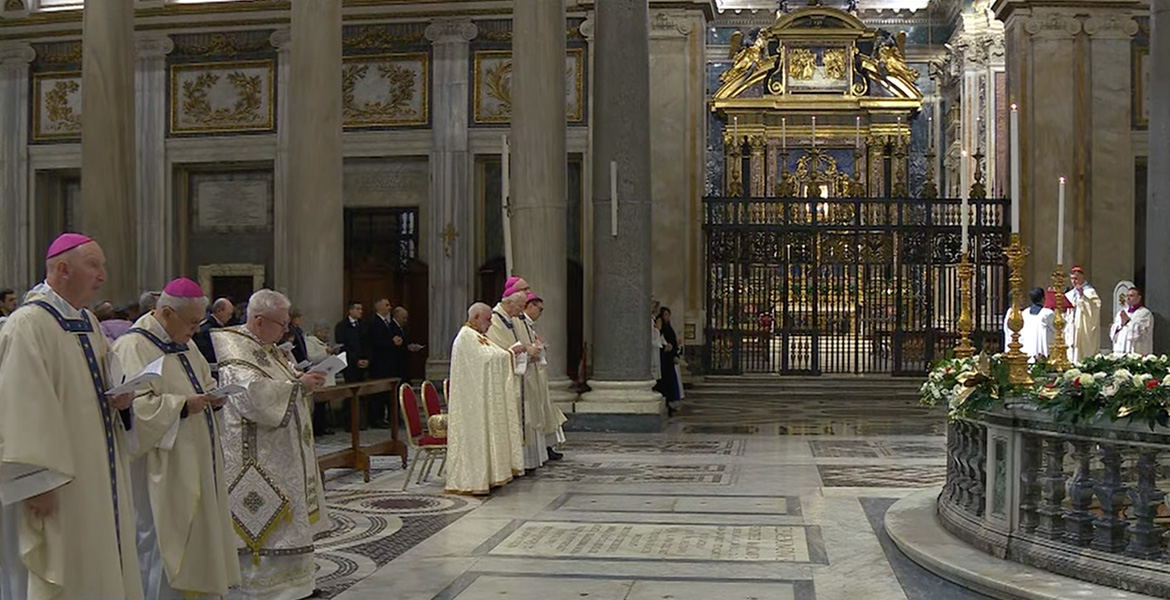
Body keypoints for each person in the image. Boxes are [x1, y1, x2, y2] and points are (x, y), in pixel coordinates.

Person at [0, 233, 143, 600]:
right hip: (55, 482)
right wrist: (36, 481)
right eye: (94, 265)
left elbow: (98, 385)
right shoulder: (28, 324)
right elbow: (21, 405)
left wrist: (120, 399)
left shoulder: (88, 322)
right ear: (63, 269)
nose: (102, 276)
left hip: (98, 472)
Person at [113, 278, 240, 599]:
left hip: (197, 459)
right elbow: (132, 411)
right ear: (167, 312)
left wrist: (215, 396)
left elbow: (203, 380)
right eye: (193, 322)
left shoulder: (185, 342)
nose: (197, 329)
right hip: (161, 470)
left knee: (200, 534)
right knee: (160, 542)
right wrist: (183, 406)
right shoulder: (133, 347)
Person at [212, 290, 328, 600]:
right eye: (281, 324)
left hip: (284, 453)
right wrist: (297, 386)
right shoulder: (236, 351)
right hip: (259, 458)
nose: (285, 330)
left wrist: (304, 380)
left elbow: (284, 381)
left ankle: (298, 585)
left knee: (292, 519)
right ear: (259, 320)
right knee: (268, 527)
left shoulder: (269, 347)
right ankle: (269, 589)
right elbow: (252, 396)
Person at [444, 303, 524, 494]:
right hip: (471, 402)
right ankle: (472, 481)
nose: (490, 323)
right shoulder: (466, 336)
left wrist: (508, 353)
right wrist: (511, 353)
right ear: (476, 317)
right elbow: (487, 359)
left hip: (479, 398)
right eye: (488, 319)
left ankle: (489, 475)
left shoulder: (478, 336)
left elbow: (492, 354)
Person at [488, 290, 545, 470]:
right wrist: (521, 351)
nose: (521, 312)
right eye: (520, 307)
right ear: (510, 303)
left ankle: (521, 462)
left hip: (518, 375)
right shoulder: (496, 319)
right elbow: (496, 351)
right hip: (505, 380)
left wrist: (527, 352)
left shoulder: (509, 319)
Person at [521, 293, 567, 460]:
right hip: (528, 374)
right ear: (530, 306)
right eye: (539, 309)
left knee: (545, 408)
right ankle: (543, 449)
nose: (541, 313)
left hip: (536, 371)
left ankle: (547, 447)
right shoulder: (519, 322)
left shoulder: (527, 324)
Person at [366, 299, 396, 428]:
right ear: (379, 308)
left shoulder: (386, 323)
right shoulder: (375, 323)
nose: (389, 308)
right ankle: (376, 418)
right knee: (377, 394)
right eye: (387, 305)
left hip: (387, 364)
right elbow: (376, 343)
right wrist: (392, 342)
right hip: (379, 364)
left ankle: (383, 417)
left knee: (384, 393)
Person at [1004, 287, 1055, 361]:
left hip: (1027, 349)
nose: (1023, 299)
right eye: (1021, 297)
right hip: (1039, 350)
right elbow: (1058, 328)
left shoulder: (1025, 313)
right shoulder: (1047, 313)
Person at [1064, 266, 1101, 363]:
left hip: (1084, 327)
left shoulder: (1090, 291)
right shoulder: (1070, 293)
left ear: (1082, 277)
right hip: (1072, 327)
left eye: (1076, 278)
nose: (1073, 281)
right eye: (1072, 278)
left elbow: (1094, 308)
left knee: (1082, 353)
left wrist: (1082, 297)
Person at [1110, 286, 1153, 355]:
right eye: (1127, 296)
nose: (1128, 298)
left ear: (1139, 298)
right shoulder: (1122, 312)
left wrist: (1127, 321)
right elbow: (1114, 330)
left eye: (1131, 296)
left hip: (1135, 349)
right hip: (1120, 348)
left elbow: (1143, 332)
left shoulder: (1145, 313)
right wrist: (1120, 324)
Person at [194, 297, 235, 365]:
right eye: (228, 314)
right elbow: (207, 353)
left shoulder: (220, 327)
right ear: (219, 311)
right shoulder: (207, 330)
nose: (230, 317)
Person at [656, 307, 682, 413]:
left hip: (669, 358)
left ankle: (671, 401)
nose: (667, 317)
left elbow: (673, 341)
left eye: (668, 314)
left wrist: (675, 352)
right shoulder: (662, 328)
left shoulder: (669, 328)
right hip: (664, 358)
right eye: (665, 314)